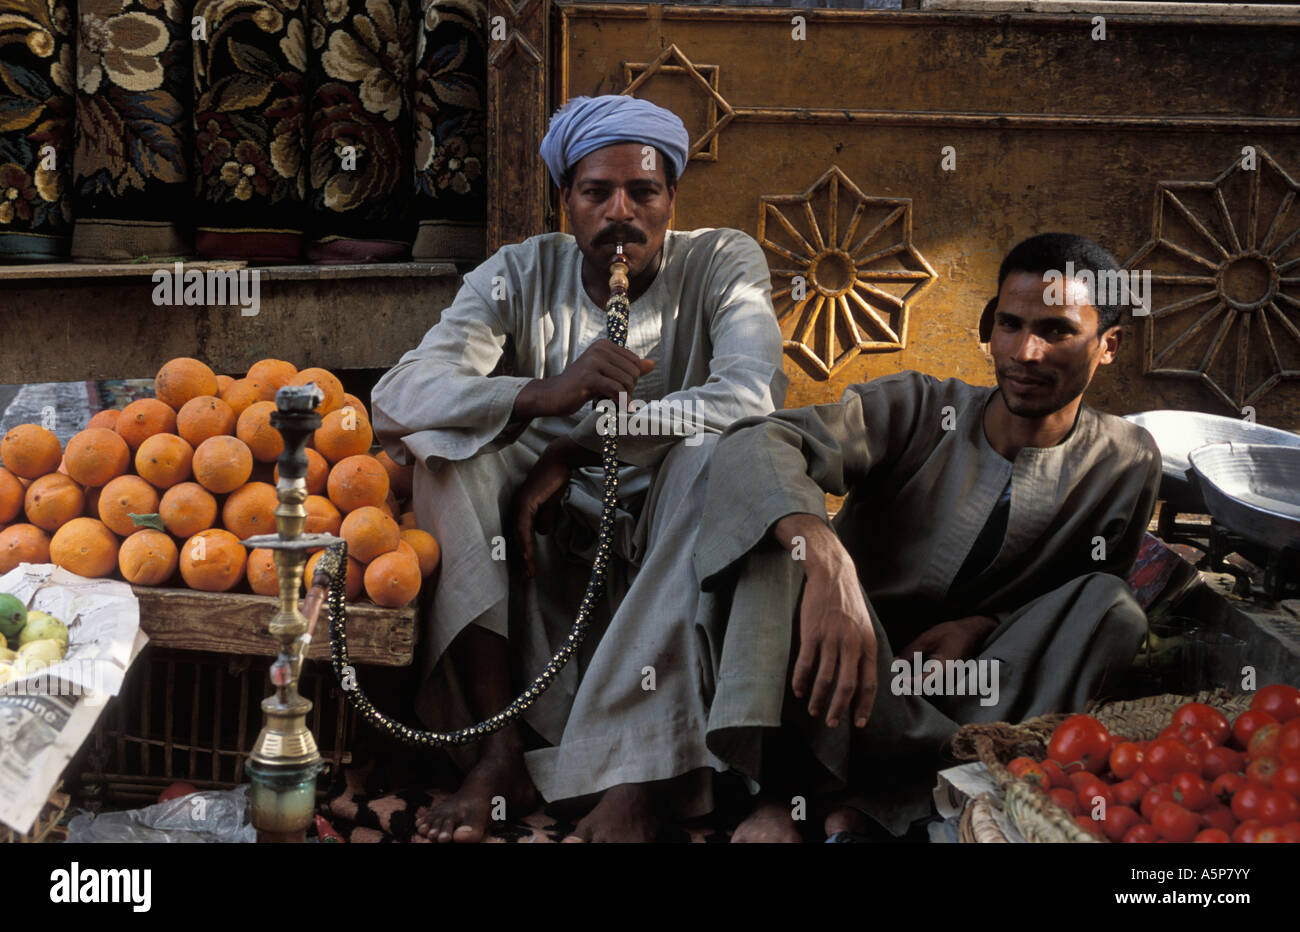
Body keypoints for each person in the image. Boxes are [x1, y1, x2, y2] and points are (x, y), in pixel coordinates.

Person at [370, 94, 787, 842]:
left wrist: (580, 440)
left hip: (669, 527)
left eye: (644, 192)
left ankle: (638, 777)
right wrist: (538, 396)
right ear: (566, 200)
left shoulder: (722, 261)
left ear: (673, 200)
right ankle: (500, 752)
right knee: (438, 453)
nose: (620, 212)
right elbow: (398, 395)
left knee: (715, 452)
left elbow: (752, 395)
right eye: (596, 192)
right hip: (544, 547)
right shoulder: (521, 271)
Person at [692, 232, 1162, 842]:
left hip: (968, 704)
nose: (1026, 352)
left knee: (1112, 607)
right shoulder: (918, 407)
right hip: (837, 673)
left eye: (1056, 331)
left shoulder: (1126, 460)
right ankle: (779, 791)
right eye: (1011, 324)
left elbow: (1076, 596)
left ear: (1109, 346)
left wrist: (984, 625)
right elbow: (756, 442)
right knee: (778, 540)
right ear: (988, 327)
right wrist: (830, 565)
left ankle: (908, 798)